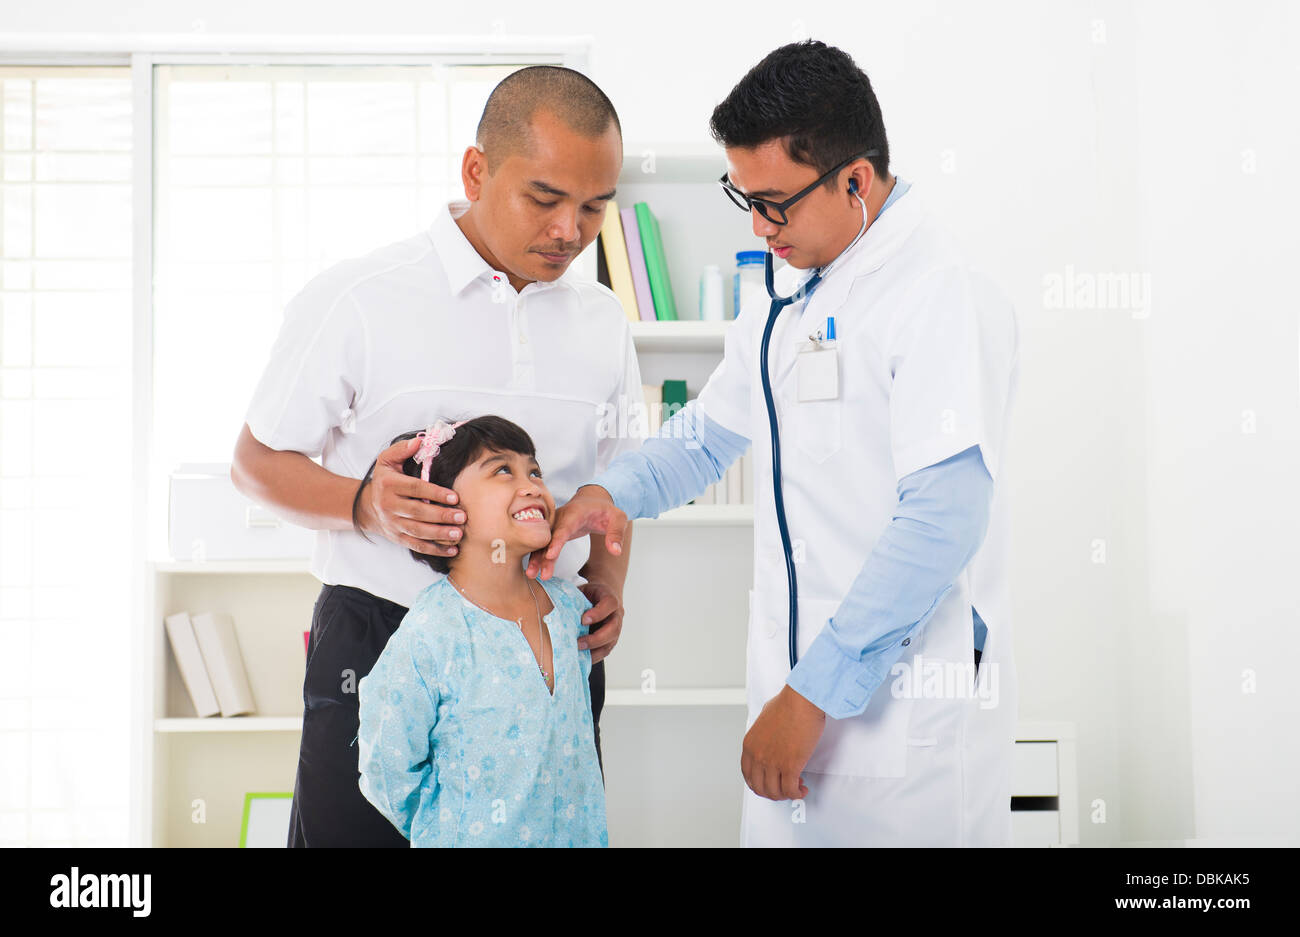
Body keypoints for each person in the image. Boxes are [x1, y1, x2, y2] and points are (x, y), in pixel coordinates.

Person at [530, 40, 1020, 847]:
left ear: (855, 180)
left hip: (897, 722)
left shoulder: (939, 297)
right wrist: (609, 493)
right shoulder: (787, 288)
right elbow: (711, 434)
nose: (759, 227)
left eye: (775, 203)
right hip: (795, 707)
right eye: (744, 198)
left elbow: (944, 520)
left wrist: (814, 694)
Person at [231, 65, 641, 847]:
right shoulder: (360, 295)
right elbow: (254, 461)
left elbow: (611, 488)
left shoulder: (603, 321)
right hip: (383, 634)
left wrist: (607, 584)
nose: (569, 231)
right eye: (546, 199)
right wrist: (362, 503)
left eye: (594, 207)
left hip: (545, 645)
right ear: (476, 171)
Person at [356, 415, 607, 847]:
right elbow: (386, 769)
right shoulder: (432, 632)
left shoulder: (572, 609)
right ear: (441, 504)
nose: (531, 485)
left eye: (534, 471)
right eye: (502, 470)